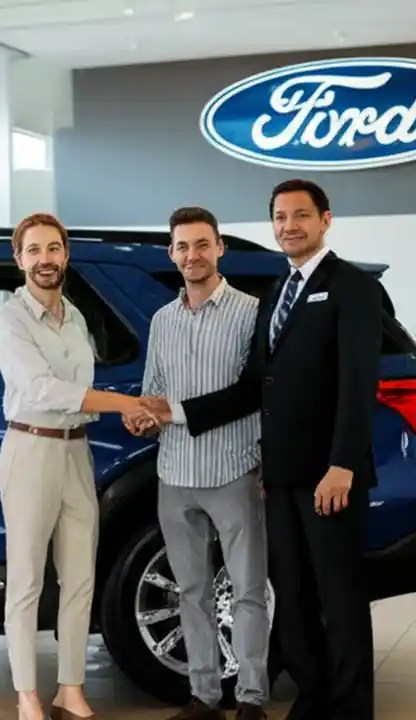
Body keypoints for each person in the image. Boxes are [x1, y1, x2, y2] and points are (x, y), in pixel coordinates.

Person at [142, 180, 382, 720]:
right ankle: (314, 697)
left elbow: (358, 382)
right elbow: (255, 387)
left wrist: (342, 463)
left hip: (329, 476)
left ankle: (350, 708)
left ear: (326, 219)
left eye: (301, 215)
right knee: (293, 598)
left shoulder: (352, 287)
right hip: (282, 476)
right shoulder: (279, 293)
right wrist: (176, 413)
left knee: (339, 600)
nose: (289, 225)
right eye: (279, 216)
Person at [0, 212, 149, 720]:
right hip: (31, 451)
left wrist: (121, 413)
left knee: (80, 577)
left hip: (75, 452)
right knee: (27, 581)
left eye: (53, 249)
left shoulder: (76, 317)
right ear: (20, 260)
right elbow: (40, 389)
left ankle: (70, 688)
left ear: (66, 255)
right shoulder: (9, 319)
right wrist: (122, 403)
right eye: (34, 251)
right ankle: (27, 697)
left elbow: (78, 399)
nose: (45, 260)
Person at [128, 207, 269, 720]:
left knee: (249, 591)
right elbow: (153, 392)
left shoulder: (251, 313)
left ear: (219, 248)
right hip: (175, 476)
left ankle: (252, 697)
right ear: (172, 254)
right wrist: (143, 417)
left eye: (202, 244)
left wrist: (174, 413)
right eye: (183, 246)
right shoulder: (162, 321)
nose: (193, 255)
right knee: (192, 591)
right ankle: (204, 697)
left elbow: (254, 393)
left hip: (233, 470)